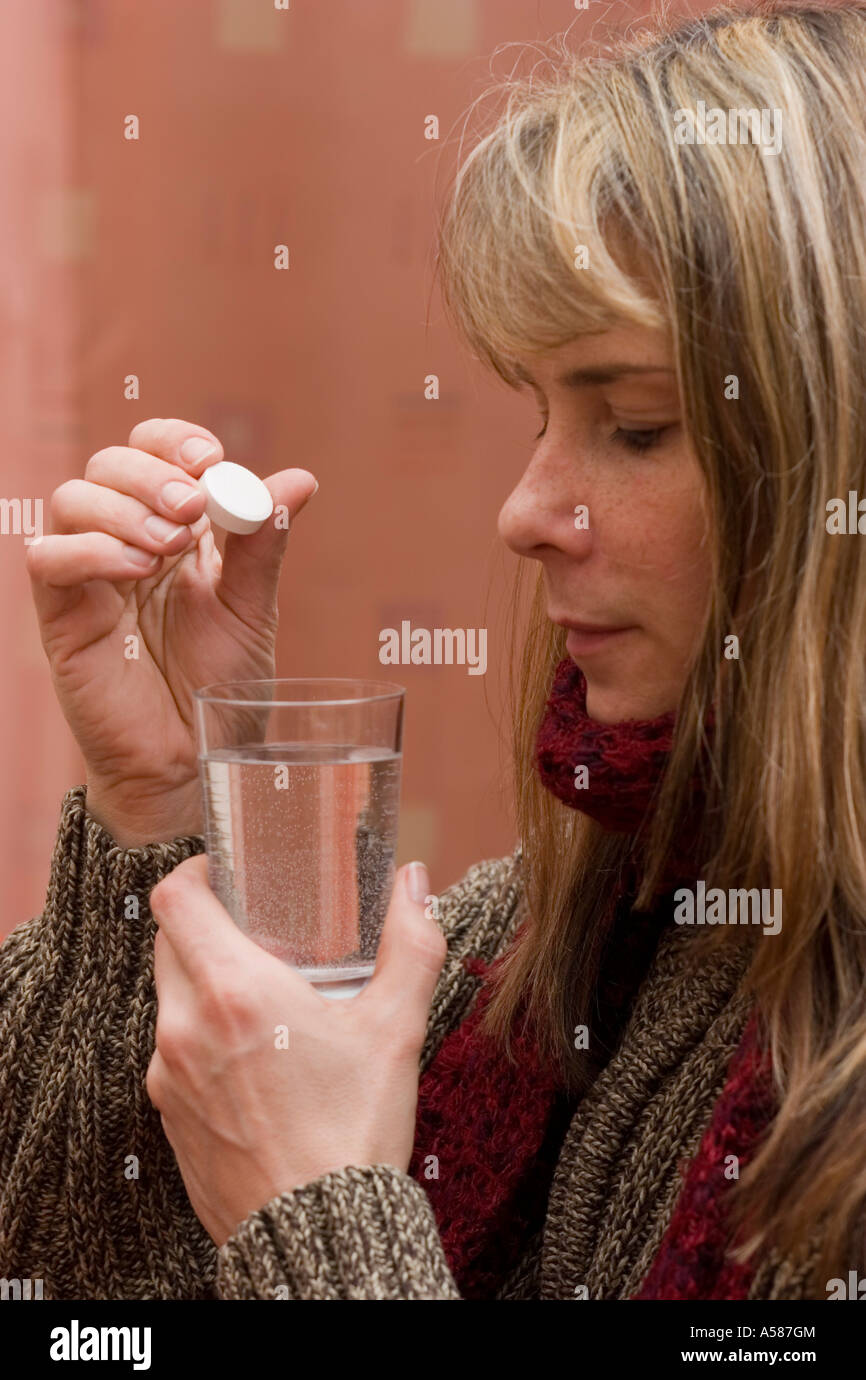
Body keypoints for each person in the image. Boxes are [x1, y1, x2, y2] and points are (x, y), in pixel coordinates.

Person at [2, 0, 865, 1300]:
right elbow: (73, 1295)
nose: (521, 511)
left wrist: (319, 1210)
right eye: (535, 412)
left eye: (630, 424)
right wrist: (175, 800)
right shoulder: (541, 941)